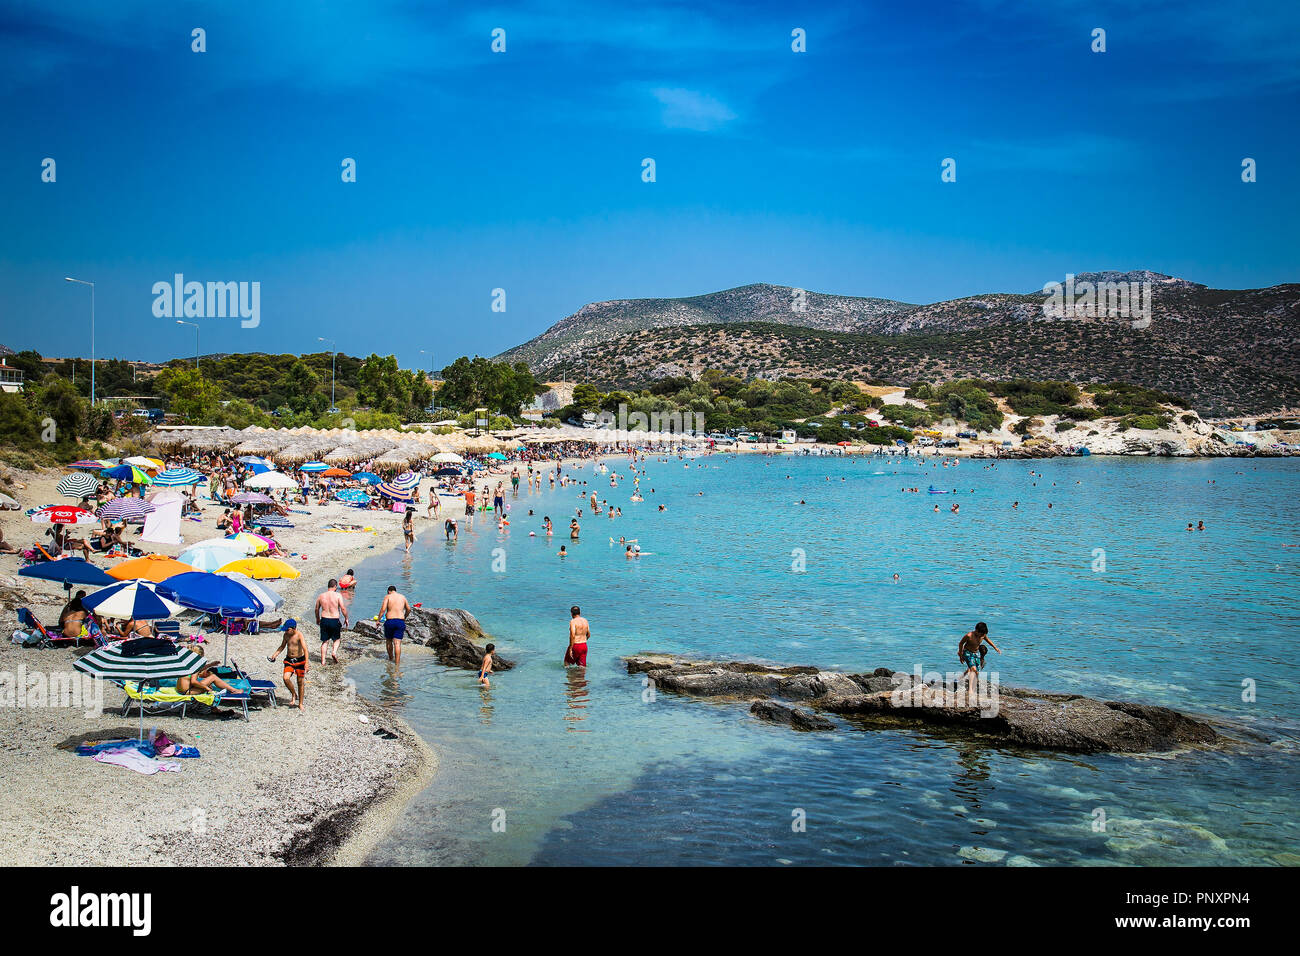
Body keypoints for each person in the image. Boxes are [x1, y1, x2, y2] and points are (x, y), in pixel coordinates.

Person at [269, 620, 309, 709]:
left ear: (293, 628)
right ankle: (294, 694)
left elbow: (305, 649)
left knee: (300, 682)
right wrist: (275, 654)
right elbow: (282, 646)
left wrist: (307, 663)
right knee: (285, 678)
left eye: (287, 630)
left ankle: (300, 703)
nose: (286, 631)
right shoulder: (286, 635)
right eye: (285, 630)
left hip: (300, 660)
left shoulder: (299, 635)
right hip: (289, 660)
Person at [958, 622, 1001, 697]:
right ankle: (970, 690)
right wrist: (961, 655)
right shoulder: (969, 636)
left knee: (977, 672)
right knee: (973, 669)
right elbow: (961, 643)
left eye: (983, 634)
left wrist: (995, 647)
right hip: (967, 653)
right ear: (976, 630)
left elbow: (988, 640)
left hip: (976, 654)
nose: (982, 636)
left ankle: (961, 678)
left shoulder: (983, 635)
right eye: (981, 634)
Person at [316, 578, 348, 664]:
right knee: (336, 639)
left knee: (325, 641)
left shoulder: (321, 596)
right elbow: (343, 608)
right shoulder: (337, 595)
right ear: (335, 586)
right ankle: (333, 653)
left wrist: (317, 619)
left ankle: (323, 661)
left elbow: (316, 609)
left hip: (324, 619)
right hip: (334, 620)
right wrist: (346, 618)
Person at [379, 585, 411, 665]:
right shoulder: (403, 597)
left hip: (390, 621)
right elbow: (409, 609)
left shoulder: (388, 596)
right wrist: (405, 616)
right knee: (397, 643)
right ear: (395, 590)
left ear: (389, 591)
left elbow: (383, 609)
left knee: (389, 641)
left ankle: (390, 659)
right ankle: (397, 664)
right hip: (400, 621)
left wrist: (378, 620)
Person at [176, 660, 240, 696]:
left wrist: (210, 665)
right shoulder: (195, 667)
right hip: (187, 692)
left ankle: (232, 689)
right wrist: (205, 687)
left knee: (210, 680)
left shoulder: (187, 665)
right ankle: (234, 690)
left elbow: (199, 670)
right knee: (213, 677)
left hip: (180, 690)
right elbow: (193, 682)